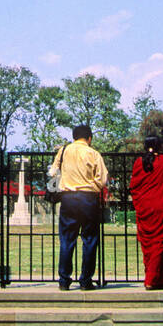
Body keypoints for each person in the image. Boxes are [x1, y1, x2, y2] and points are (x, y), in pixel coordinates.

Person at [49, 124, 109, 290]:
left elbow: (53, 171)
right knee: (90, 239)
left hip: (68, 198)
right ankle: (86, 280)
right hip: (88, 198)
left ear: (74, 137)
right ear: (89, 138)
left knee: (67, 239)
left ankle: (64, 279)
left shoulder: (64, 150)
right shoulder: (93, 153)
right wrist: (92, 187)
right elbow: (102, 179)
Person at [129, 135, 163, 290]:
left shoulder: (139, 162)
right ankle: (151, 279)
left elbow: (133, 187)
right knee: (159, 242)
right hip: (162, 206)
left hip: (145, 207)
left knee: (149, 244)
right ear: (160, 146)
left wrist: (139, 204)